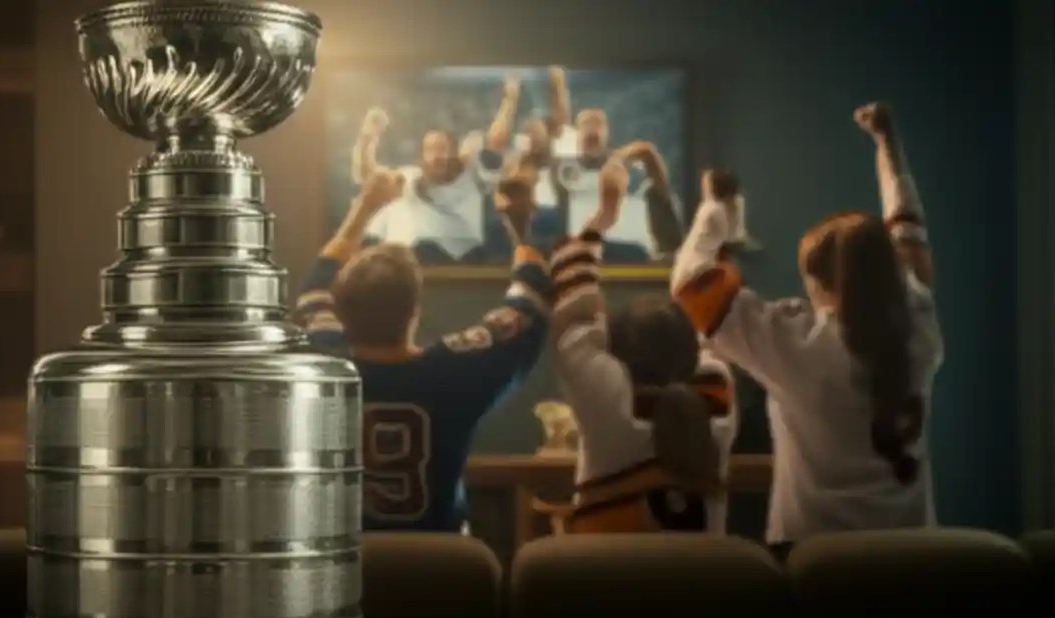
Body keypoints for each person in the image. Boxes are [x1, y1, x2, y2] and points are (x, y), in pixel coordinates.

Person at [669, 101, 942, 560]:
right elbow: (908, 227)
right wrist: (888, 145)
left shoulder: (798, 345)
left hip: (815, 559)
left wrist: (715, 209)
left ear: (820, 284)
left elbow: (689, 283)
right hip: (914, 556)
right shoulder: (919, 322)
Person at [295, 170, 551, 532]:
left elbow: (314, 287)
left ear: (342, 314)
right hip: (440, 572)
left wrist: (365, 208)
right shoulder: (452, 371)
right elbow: (530, 304)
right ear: (415, 311)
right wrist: (520, 229)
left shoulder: (324, 364)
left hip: (346, 575)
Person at [538, 161, 738, 534]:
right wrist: (714, 215)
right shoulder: (717, 397)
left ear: (617, 355)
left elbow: (573, 312)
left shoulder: (609, 403)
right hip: (708, 590)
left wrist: (603, 215)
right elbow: (706, 321)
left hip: (607, 589)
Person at [511, 67, 682, 261]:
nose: (592, 129)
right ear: (576, 133)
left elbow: (655, 173)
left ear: (607, 132)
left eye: (597, 123)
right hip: (582, 255)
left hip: (632, 255)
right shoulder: (561, 169)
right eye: (586, 124)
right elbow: (554, 130)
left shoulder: (628, 169)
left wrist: (625, 156)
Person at [349, 77, 521, 263]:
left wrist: (510, 100)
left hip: (461, 259)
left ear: (455, 152)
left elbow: (496, 140)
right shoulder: (410, 178)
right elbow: (370, 178)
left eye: (441, 148)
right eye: (429, 150)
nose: (435, 156)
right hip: (412, 260)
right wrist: (368, 138)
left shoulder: (472, 176)